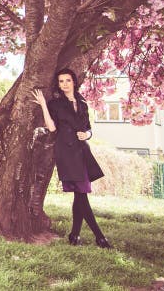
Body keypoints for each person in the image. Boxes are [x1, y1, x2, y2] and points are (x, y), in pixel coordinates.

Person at [31, 68, 112, 248]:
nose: (65, 84)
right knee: (81, 192)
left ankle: (74, 235)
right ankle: (100, 237)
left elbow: (89, 128)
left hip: (82, 150)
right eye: (61, 81)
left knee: (80, 193)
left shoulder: (82, 103)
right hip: (66, 152)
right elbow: (52, 128)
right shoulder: (55, 104)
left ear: (74, 82)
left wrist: (87, 135)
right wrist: (43, 105)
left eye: (68, 80)